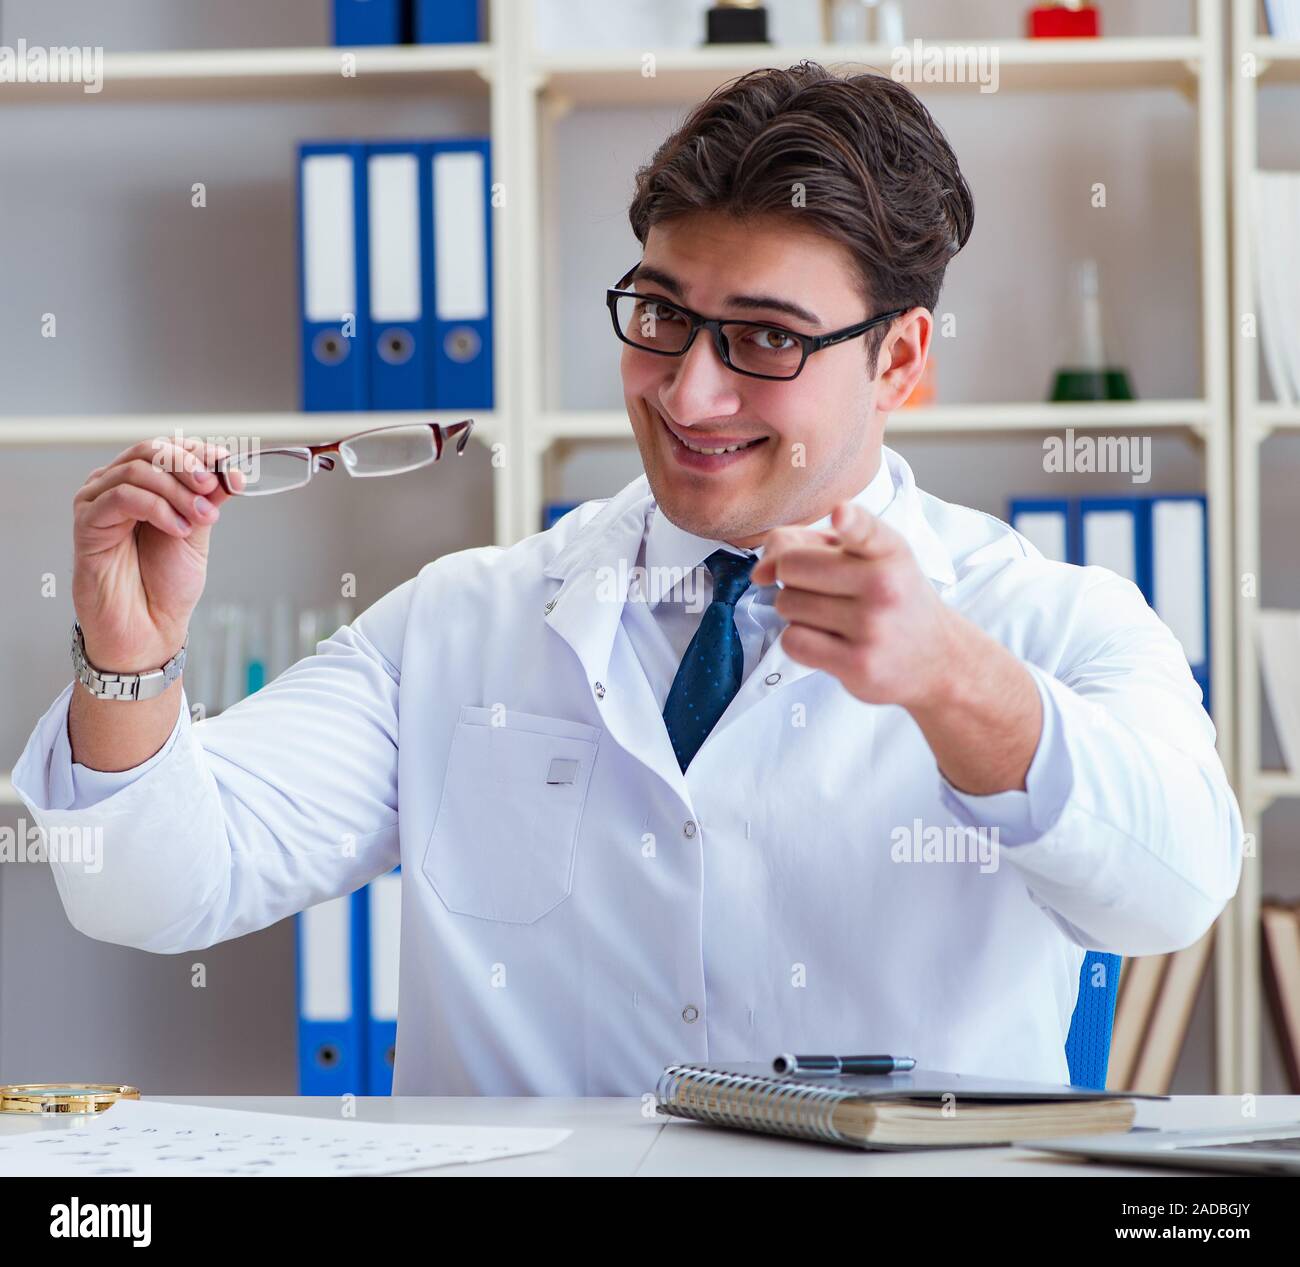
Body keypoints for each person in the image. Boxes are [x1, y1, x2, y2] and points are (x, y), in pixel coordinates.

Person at [13, 63, 1241, 1095]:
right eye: (659, 316)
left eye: (764, 337)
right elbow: (160, 892)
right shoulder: (465, 621)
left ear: (900, 359)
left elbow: (1173, 891)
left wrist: (956, 683)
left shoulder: (1046, 618)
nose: (688, 392)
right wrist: (129, 654)